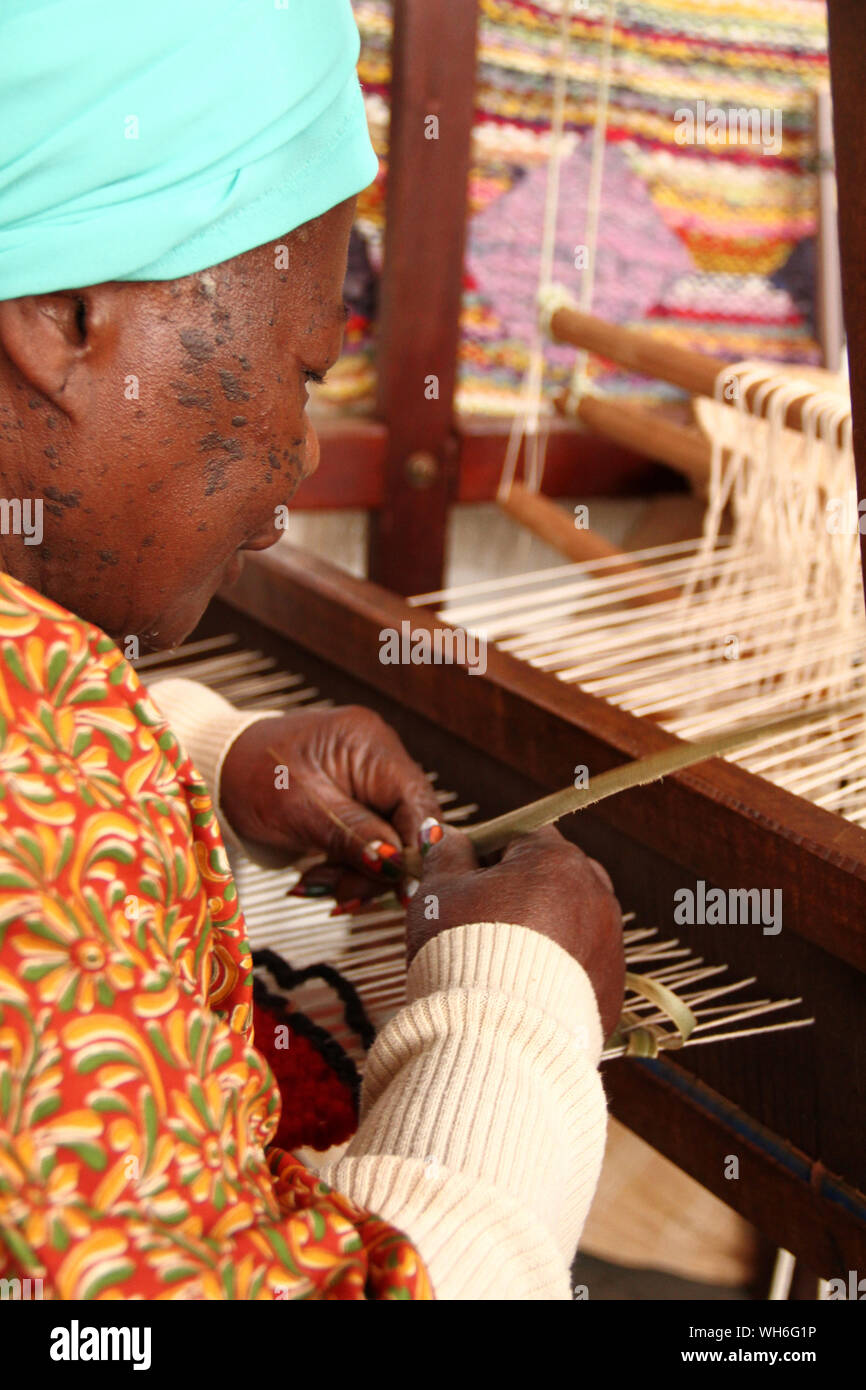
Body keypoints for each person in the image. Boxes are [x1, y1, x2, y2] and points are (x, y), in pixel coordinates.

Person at [0, 0, 624, 1299]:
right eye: (298, 371)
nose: (290, 463)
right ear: (61, 316)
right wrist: (514, 1000)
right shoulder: (36, 760)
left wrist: (201, 758)